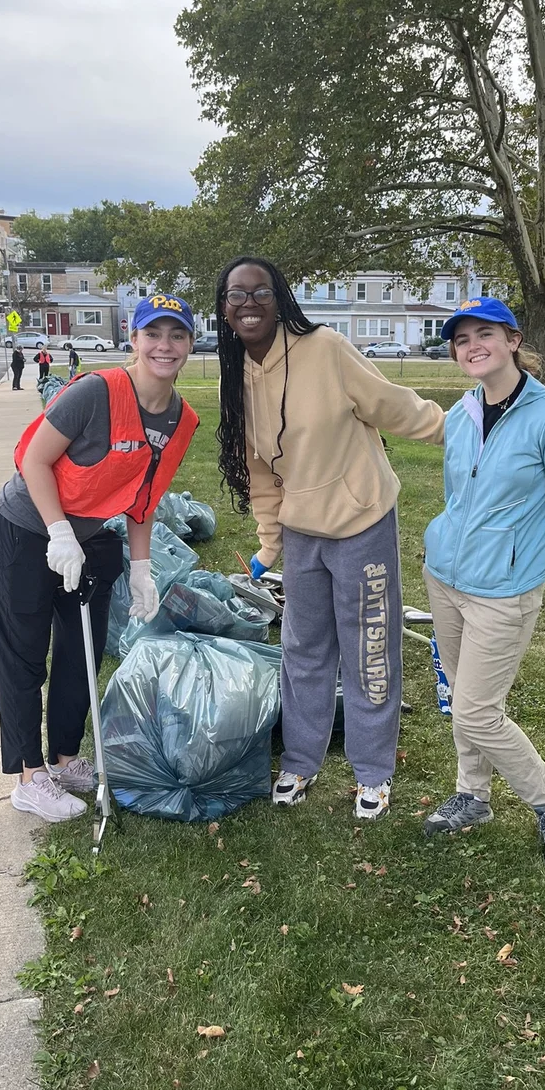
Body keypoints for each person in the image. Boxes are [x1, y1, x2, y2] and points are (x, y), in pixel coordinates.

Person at [215, 256, 445, 821]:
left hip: (361, 519)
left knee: (369, 648)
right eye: (236, 294)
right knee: (303, 649)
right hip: (301, 533)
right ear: (223, 308)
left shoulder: (326, 348)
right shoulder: (236, 374)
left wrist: (462, 428)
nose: (248, 302)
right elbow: (261, 471)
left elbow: (392, 404)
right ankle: (300, 760)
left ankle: (373, 771)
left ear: (280, 298)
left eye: (260, 291)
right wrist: (270, 543)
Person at [0, 294, 199, 822]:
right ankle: (29, 777)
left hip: (94, 535)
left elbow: (145, 500)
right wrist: (58, 533)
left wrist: (143, 570)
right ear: (135, 339)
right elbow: (33, 458)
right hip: (25, 529)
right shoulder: (96, 393)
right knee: (26, 654)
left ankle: (64, 759)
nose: (164, 346)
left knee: (82, 651)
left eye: (176, 335)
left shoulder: (180, 419)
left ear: (190, 344)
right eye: (154, 334)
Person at [421, 297, 545, 865]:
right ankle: (473, 795)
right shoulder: (462, 412)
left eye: (484, 334)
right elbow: (459, 496)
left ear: (513, 340)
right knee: (461, 696)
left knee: (477, 710)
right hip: (445, 577)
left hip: (504, 591)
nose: (472, 345)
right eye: (461, 338)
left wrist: (519, 549)